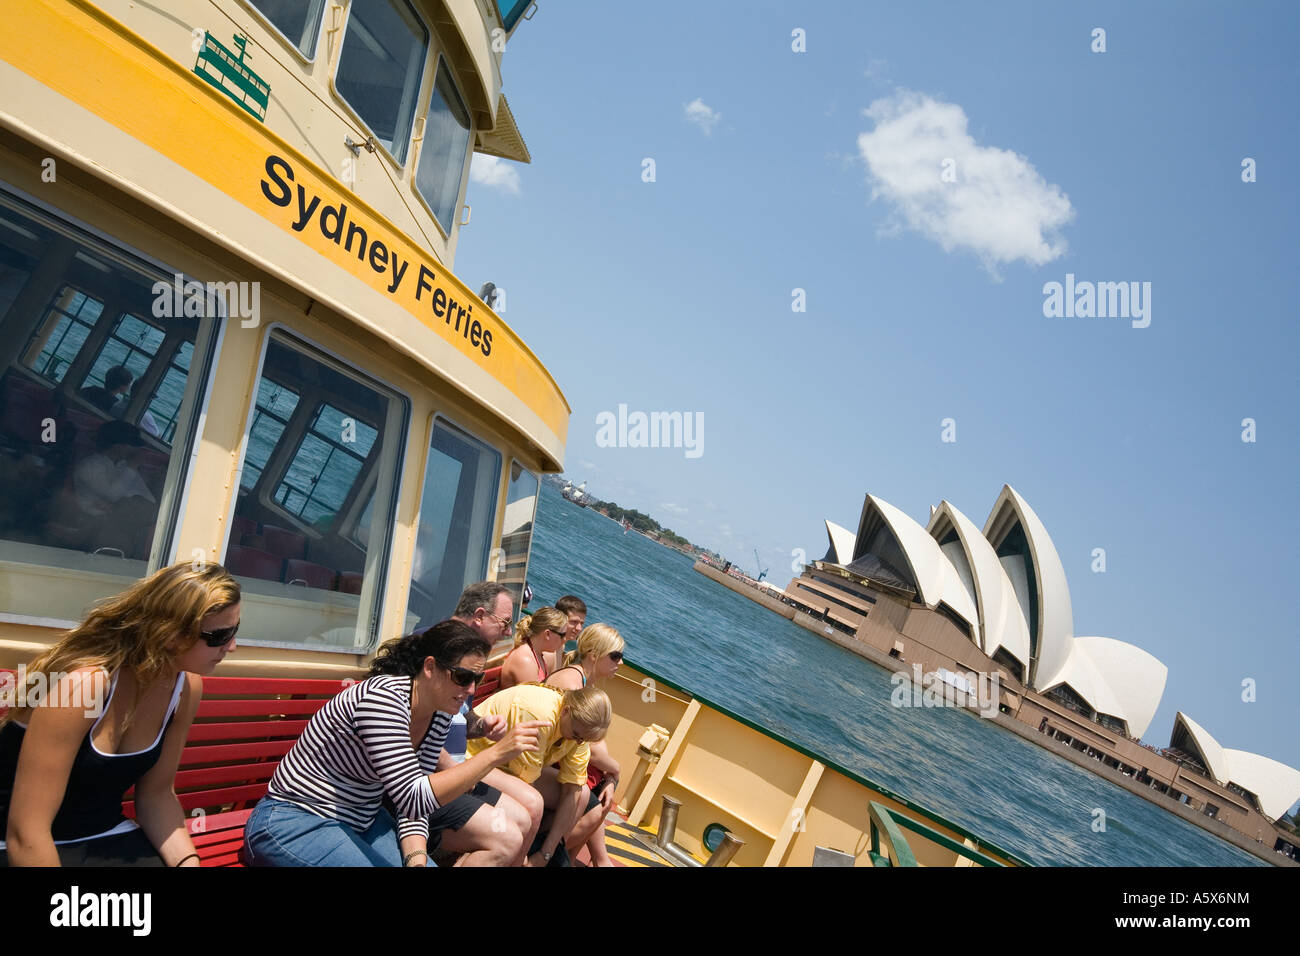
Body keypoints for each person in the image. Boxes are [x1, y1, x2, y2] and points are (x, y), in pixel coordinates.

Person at [243, 620, 544, 867]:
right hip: (294, 820)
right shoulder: (383, 701)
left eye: (476, 680)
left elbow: (411, 808)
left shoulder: (437, 712)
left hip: (361, 821)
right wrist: (495, 754)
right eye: (462, 677)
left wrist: (415, 860)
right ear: (430, 667)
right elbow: (414, 796)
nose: (470, 690)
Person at [1, 562, 241, 866]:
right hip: (22, 845)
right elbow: (25, 834)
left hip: (104, 835)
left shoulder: (186, 688)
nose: (232, 646)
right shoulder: (85, 686)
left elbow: (156, 795)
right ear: (170, 635)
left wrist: (189, 863)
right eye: (219, 636)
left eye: (235, 630)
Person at [440, 581, 546, 859]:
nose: (509, 632)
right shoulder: (437, 650)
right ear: (478, 616)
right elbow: (410, 726)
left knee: (525, 816)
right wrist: (455, 771)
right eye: (504, 623)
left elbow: (460, 718)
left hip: (459, 770)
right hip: (435, 779)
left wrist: (482, 727)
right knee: (508, 836)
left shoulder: (467, 656)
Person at [466, 683, 611, 867]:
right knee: (533, 802)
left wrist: (546, 852)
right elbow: (525, 782)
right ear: (566, 711)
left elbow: (572, 789)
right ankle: (516, 861)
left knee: (580, 795)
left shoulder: (579, 732)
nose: (578, 742)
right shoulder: (541, 716)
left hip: (507, 765)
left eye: (584, 739)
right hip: (475, 759)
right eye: (576, 735)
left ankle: (541, 857)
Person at [547, 624, 625, 867]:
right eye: (615, 656)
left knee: (601, 789)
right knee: (594, 803)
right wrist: (616, 770)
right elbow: (592, 748)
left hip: (562, 758)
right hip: (545, 760)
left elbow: (593, 745)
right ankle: (549, 855)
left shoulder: (585, 682)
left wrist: (611, 775)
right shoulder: (572, 684)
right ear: (593, 654)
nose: (620, 663)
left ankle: (570, 858)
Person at [72, 420, 157, 555]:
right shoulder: (90, 466)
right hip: (94, 523)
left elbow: (148, 499)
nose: (136, 450)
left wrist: (116, 507)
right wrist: (132, 466)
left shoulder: (122, 467)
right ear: (118, 446)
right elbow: (111, 494)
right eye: (132, 445)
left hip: (121, 522)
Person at [499, 606, 567, 690]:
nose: (564, 640)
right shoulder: (525, 660)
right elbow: (531, 700)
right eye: (562, 635)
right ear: (547, 634)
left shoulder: (537, 654)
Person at [553, 594, 587, 671]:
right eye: (574, 622)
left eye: (581, 623)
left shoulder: (561, 646)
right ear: (559, 618)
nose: (579, 628)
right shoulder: (548, 649)